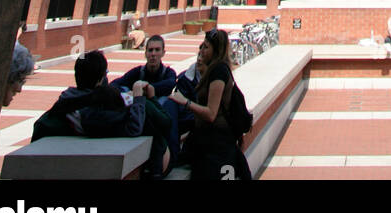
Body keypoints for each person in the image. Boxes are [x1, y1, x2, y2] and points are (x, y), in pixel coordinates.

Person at [31, 49, 170, 177]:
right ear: (101, 79)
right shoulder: (112, 107)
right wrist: (145, 98)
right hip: (142, 164)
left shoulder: (62, 107)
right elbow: (163, 123)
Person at [168, 29, 252, 181]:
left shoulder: (219, 72)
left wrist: (185, 102)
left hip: (218, 146)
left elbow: (211, 113)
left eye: (206, 47)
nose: (202, 51)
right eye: (201, 47)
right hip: (210, 143)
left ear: (216, 50)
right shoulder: (213, 70)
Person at [115, 35, 177, 101]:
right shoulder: (138, 71)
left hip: (158, 108)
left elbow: (170, 84)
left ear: (163, 53)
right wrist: (126, 93)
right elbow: (114, 84)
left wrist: (142, 89)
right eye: (150, 50)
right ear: (145, 53)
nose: (153, 54)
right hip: (139, 108)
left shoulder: (169, 73)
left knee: (165, 99)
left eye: (157, 50)